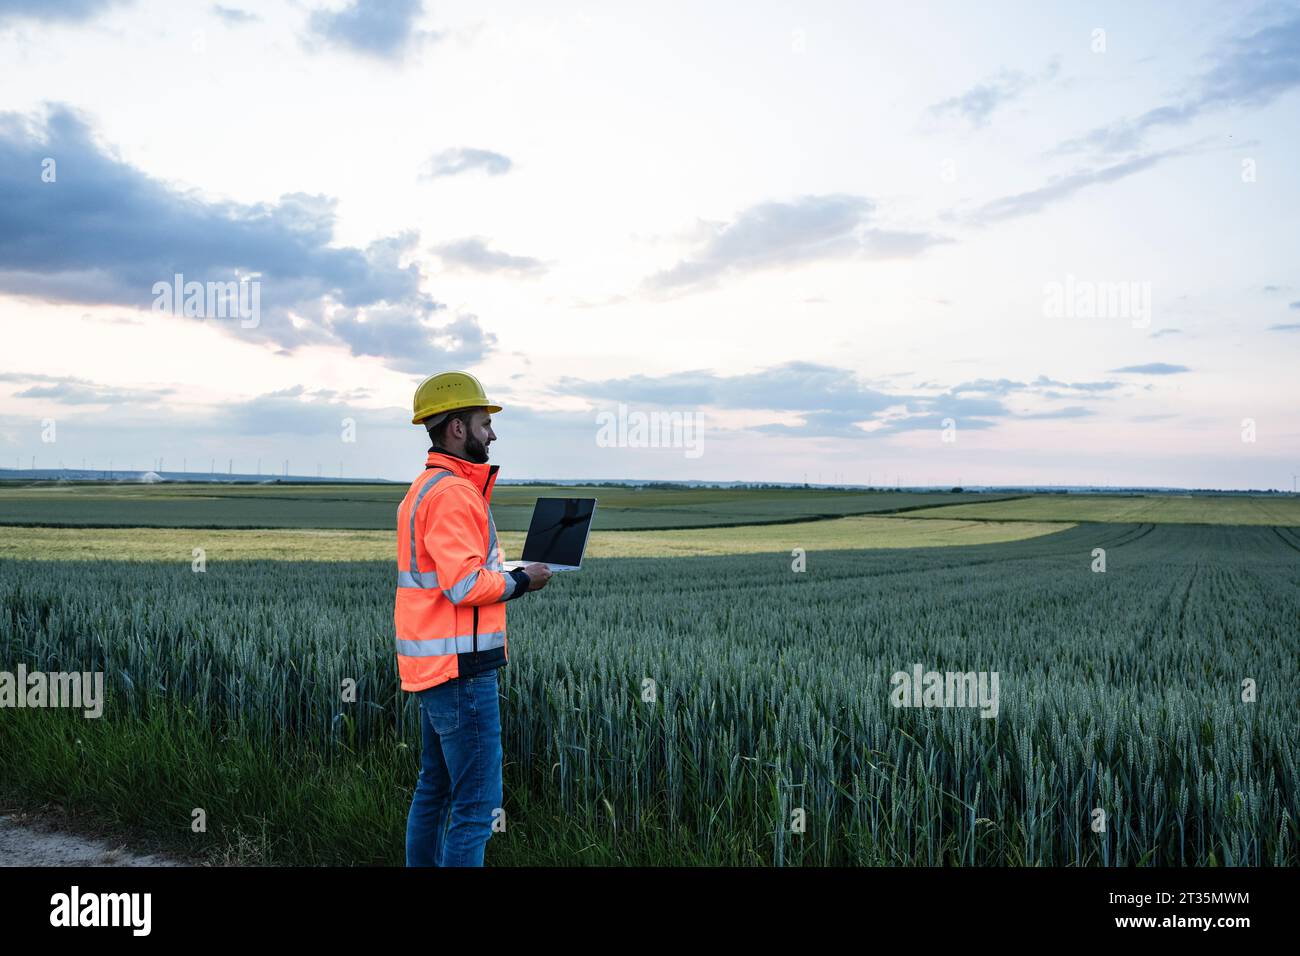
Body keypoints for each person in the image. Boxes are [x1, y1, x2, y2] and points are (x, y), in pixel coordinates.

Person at [396, 370, 551, 866]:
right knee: (476, 807)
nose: (493, 433)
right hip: (462, 670)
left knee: (434, 790)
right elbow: (464, 586)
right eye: (485, 423)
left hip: (436, 667)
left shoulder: (425, 488)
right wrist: (522, 580)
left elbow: (454, 574)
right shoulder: (454, 495)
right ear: (457, 428)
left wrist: (502, 571)